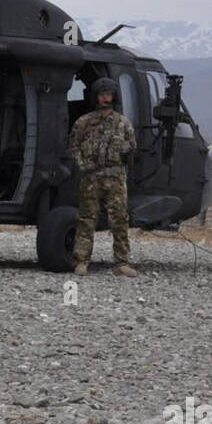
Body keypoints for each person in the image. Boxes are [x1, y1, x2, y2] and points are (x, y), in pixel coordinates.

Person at [69, 77, 138, 277]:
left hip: (116, 177)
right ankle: (81, 261)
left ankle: (122, 262)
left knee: (119, 219)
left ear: (114, 96)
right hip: (92, 178)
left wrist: (126, 153)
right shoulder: (83, 122)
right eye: (101, 94)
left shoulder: (123, 123)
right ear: (95, 97)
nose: (105, 98)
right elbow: (73, 148)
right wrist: (84, 166)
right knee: (86, 219)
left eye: (108, 94)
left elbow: (132, 147)